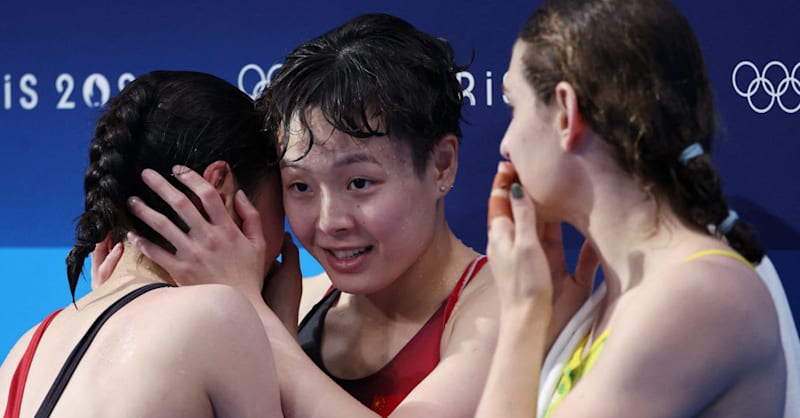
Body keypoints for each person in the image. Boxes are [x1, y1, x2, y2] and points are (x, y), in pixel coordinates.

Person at [116, 13, 596, 418]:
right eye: (300, 186)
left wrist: (249, 313)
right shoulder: (296, 303)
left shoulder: (504, 306)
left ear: (442, 165)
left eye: (360, 183)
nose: (329, 221)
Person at [476, 0, 797, 417]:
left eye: (513, 107)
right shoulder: (620, 298)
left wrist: (523, 313)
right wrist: (543, 327)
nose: (506, 144)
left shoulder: (698, 295)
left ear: (565, 115)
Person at [0, 71, 287, 417]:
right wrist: (271, 321)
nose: (285, 233)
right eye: (281, 197)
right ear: (219, 191)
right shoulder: (217, 315)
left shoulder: (28, 348)